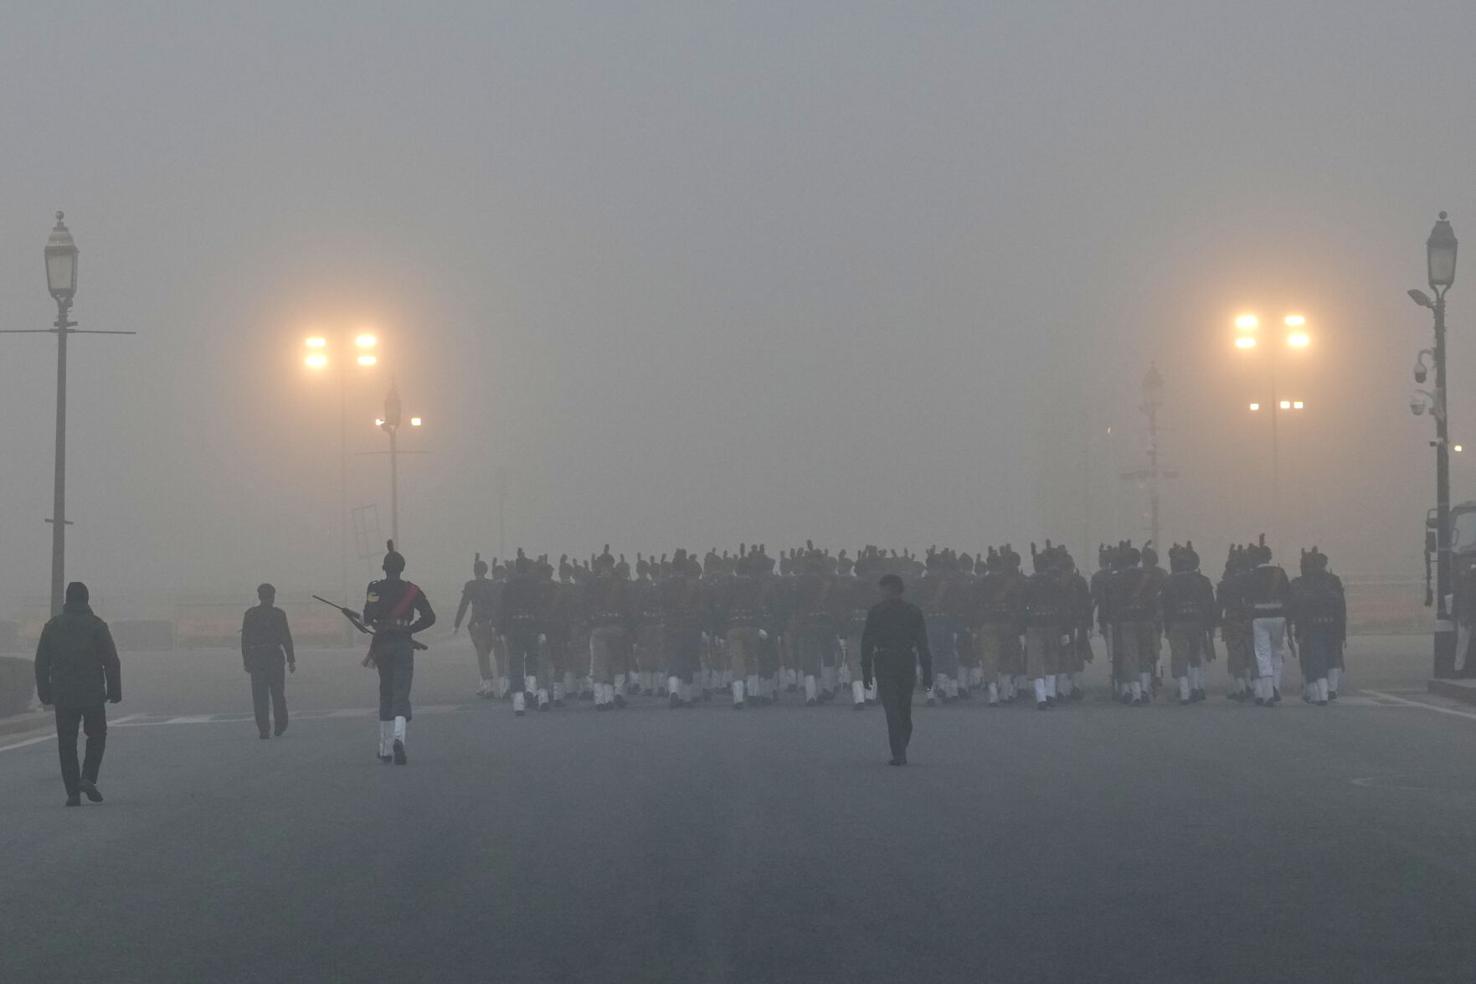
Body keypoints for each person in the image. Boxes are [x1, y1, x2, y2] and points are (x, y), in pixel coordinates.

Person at [34, 582, 121, 807]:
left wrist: (45, 692)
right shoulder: (97, 626)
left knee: (67, 742)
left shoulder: (52, 626)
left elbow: (41, 662)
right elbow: (111, 660)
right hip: (92, 693)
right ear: (86, 599)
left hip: (63, 694)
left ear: (67, 599)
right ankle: (88, 777)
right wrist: (114, 690)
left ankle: (72, 792)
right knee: (97, 735)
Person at [364, 540, 436, 762]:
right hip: (403, 645)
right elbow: (430, 617)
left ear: (384, 568)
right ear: (403, 568)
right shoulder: (412, 590)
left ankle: (385, 748)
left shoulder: (374, 588)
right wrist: (409, 630)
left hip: (382, 645)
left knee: (386, 691)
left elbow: (368, 616)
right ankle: (399, 738)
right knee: (401, 692)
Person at [861, 574, 932, 766]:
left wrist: (866, 671)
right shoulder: (913, 611)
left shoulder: (877, 612)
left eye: (882, 588)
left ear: (888, 589)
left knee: (893, 709)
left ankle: (899, 749)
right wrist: (927, 672)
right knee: (902, 709)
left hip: (885, 661)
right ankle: (900, 748)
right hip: (906, 660)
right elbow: (923, 644)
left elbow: (867, 643)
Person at [1161, 544, 1216, 704]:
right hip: (1197, 621)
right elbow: (1208, 604)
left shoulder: (1168, 582)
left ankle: (1184, 692)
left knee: (1180, 656)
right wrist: (1209, 624)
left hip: (1177, 623)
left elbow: (1165, 606)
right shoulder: (1201, 580)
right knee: (1195, 656)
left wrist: (1167, 627)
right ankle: (1196, 687)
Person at [241, 583, 296, 738]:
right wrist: (291, 659)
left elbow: (245, 640)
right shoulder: (279, 614)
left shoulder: (250, 614)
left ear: (259, 596)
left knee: (259, 696)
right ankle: (280, 725)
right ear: (273, 597)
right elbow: (286, 637)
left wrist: (246, 660)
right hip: (275, 657)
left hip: (257, 658)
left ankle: (263, 729)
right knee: (278, 694)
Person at [453, 554, 500, 698]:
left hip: (477, 624)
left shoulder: (470, 585)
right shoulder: (492, 584)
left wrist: (456, 624)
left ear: (474, 571)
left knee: (482, 654)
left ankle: (488, 684)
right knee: (485, 653)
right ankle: (483, 684)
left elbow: (464, 605)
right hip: (492, 623)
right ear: (486, 570)